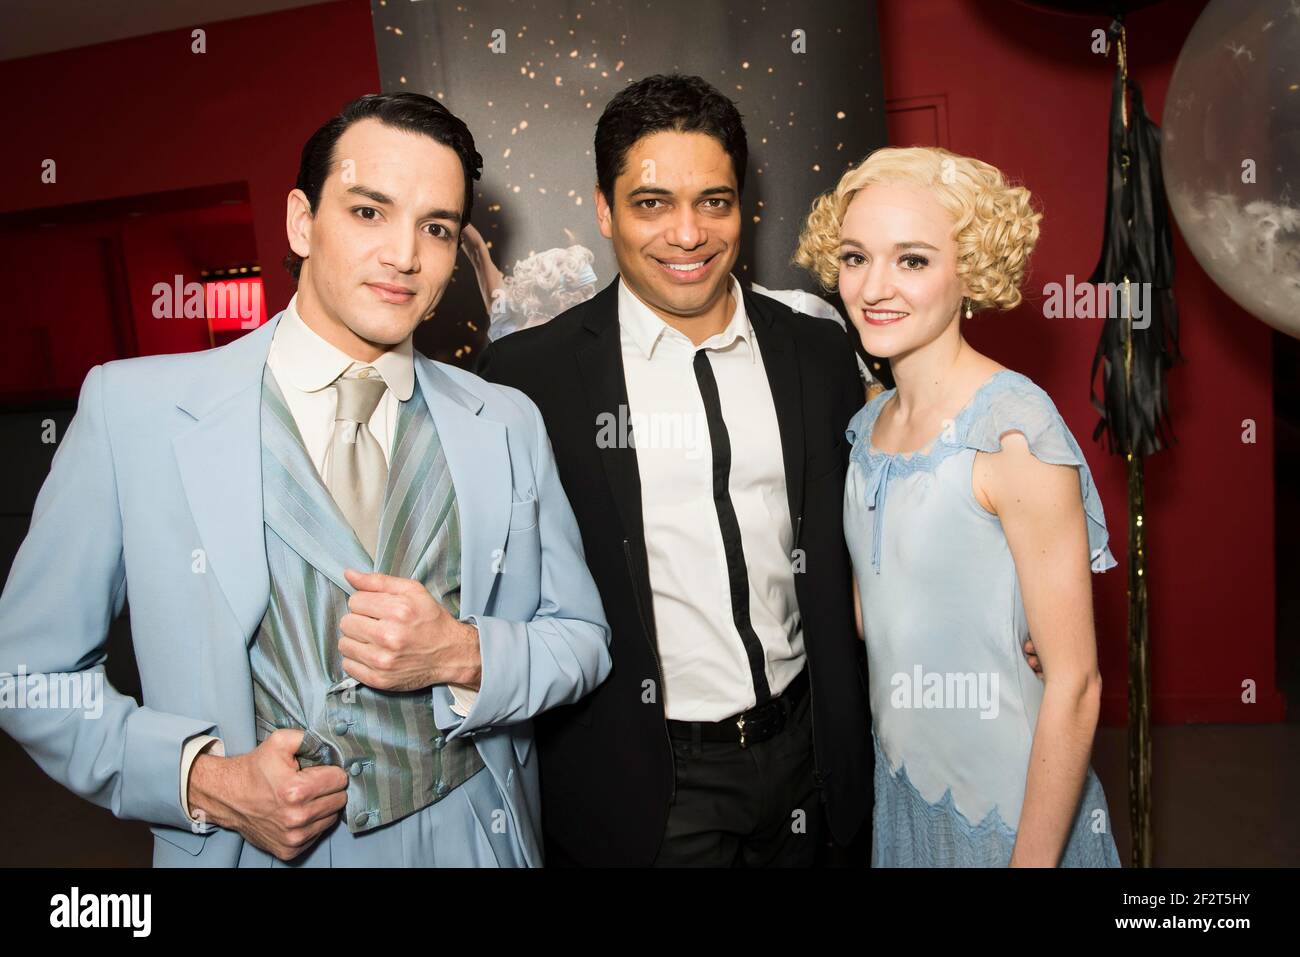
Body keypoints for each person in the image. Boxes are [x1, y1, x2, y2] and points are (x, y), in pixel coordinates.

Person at [0, 92, 611, 867]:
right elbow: (26, 674)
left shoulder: (508, 419)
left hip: (476, 831)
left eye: (436, 228)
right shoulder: (135, 412)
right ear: (300, 221)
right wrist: (202, 779)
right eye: (368, 212)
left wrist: (463, 653)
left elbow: (582, 639)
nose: (404, 255)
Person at [475, 72, 878, 867]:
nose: (688, 234)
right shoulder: (529, 379)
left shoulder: (818, 351)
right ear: (603, 208)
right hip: (648, 784)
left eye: (715, 202)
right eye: (652, 203)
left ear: (743, 205)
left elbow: (882, 519)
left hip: (812, 756)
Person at [794, 145, 1122, 866]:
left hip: (1012, 815)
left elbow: (1076, 682)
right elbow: (871, 616)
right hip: (906, 793)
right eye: (855, 257)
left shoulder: (1011, 427)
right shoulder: (866, 426)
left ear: (969, 270)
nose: (874, 287)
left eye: (912, 260)